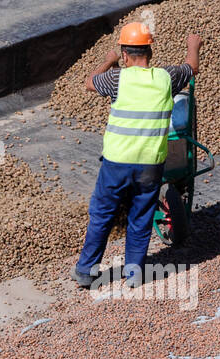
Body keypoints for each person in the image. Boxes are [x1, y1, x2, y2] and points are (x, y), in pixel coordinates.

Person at [73, 22, 203, 289]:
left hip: (116, 163)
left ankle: (86, 271)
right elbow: (192, 68)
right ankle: (134, 273)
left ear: (124, 54)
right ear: (150, 52)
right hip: (150, 164)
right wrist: (193, 45)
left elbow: (88, 83)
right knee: (141, 215)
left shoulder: (116, 78)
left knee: (102, 214)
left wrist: (107, 61)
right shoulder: (166, 77)